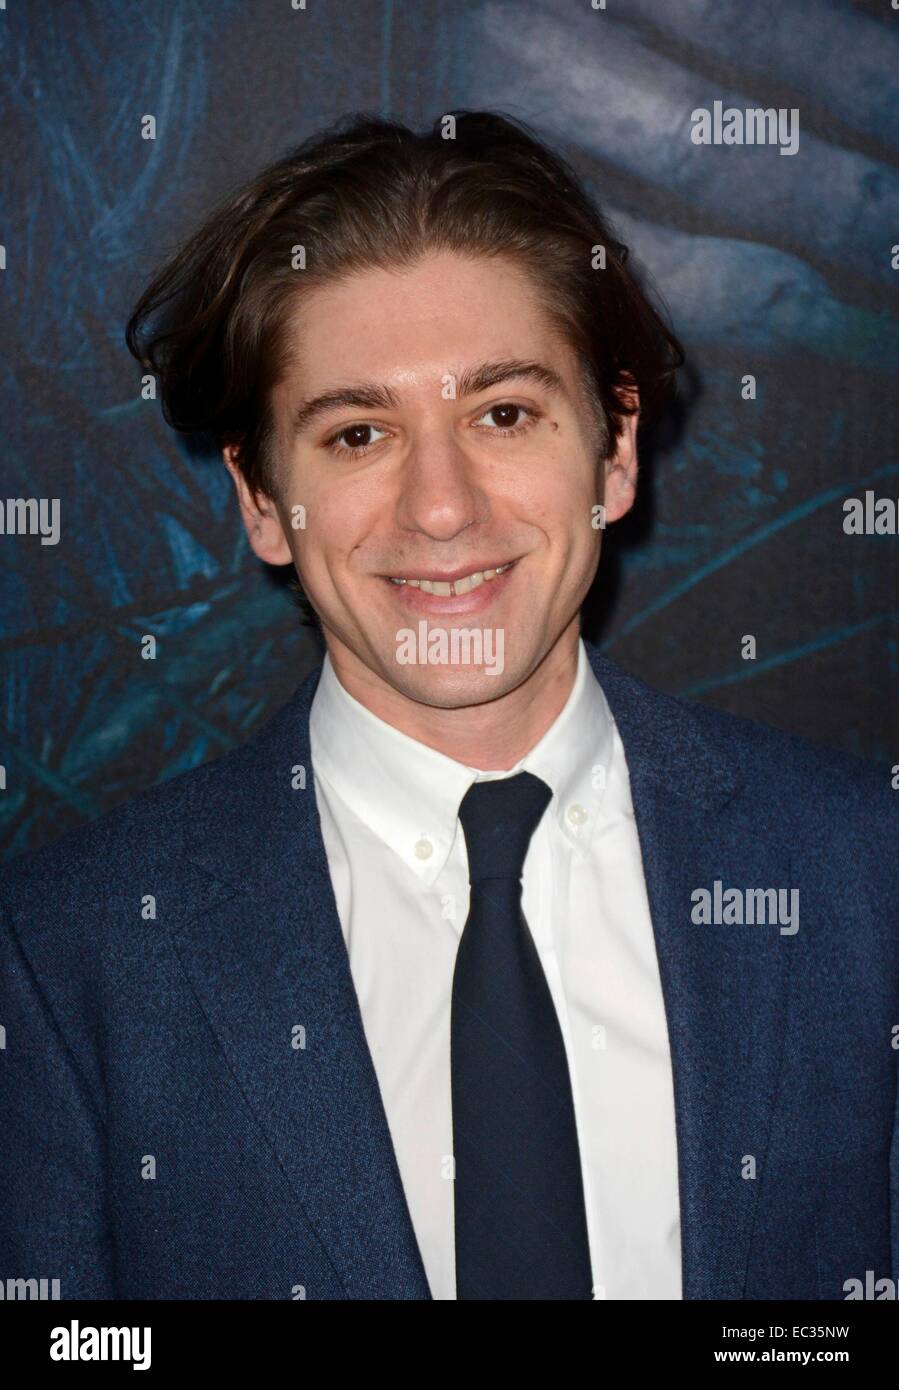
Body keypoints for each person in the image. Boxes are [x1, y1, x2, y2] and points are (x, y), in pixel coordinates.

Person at [1, 111, 896, 1302]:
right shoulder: (69, 956)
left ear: (615, 448)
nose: (439, 507)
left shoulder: (859, 873)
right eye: (359, 432)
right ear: (263, 499)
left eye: (503, 413)